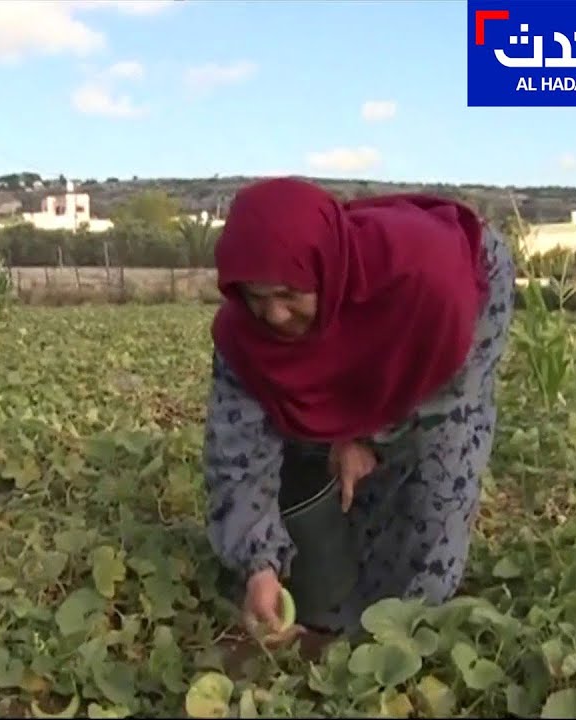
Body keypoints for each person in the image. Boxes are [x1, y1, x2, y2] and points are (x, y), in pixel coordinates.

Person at [202, 177, 515, 643]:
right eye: (257, 297)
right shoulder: (242, 335)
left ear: (326, 272)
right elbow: (236, 454)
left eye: (289, 295)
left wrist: (367, 435)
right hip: (381, 310)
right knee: (320, 452)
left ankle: (408, 623)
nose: (275, 315)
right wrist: (258, 565)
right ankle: (341, 577)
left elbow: (441, 387)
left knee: (440, 460)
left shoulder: (428, 283)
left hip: (461, 300)